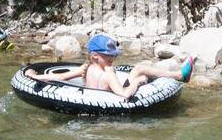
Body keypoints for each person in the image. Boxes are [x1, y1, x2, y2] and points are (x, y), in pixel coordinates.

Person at [25, 34, 193, 98]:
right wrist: (138, 82)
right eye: (109, 55)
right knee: (140, 70)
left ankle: (178, 74)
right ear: (95, 56)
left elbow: (60, 77)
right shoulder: (109, 72)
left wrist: (35, 76)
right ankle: (180, 76)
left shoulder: (86, 68)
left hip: (95, 99)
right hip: (111, 99)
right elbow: (124, 94)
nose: (113, 58)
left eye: (114, 55)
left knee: (139, 69)